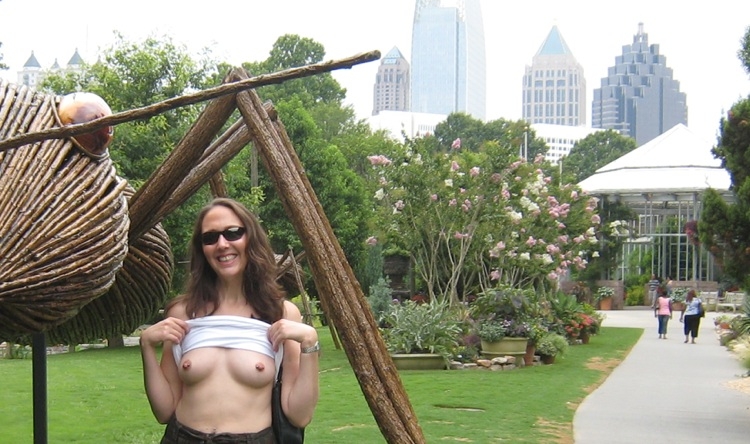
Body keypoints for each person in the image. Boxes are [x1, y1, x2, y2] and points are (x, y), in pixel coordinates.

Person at [139, 198, 320, 443]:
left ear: (251, 239)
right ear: (202, 249)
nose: (222, 244)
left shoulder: (281, 314)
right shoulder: (183, 313)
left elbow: (299, 416)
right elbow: (164, 411)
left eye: (233, 233)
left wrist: (310, 341)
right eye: (210, 237)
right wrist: (147, 346)